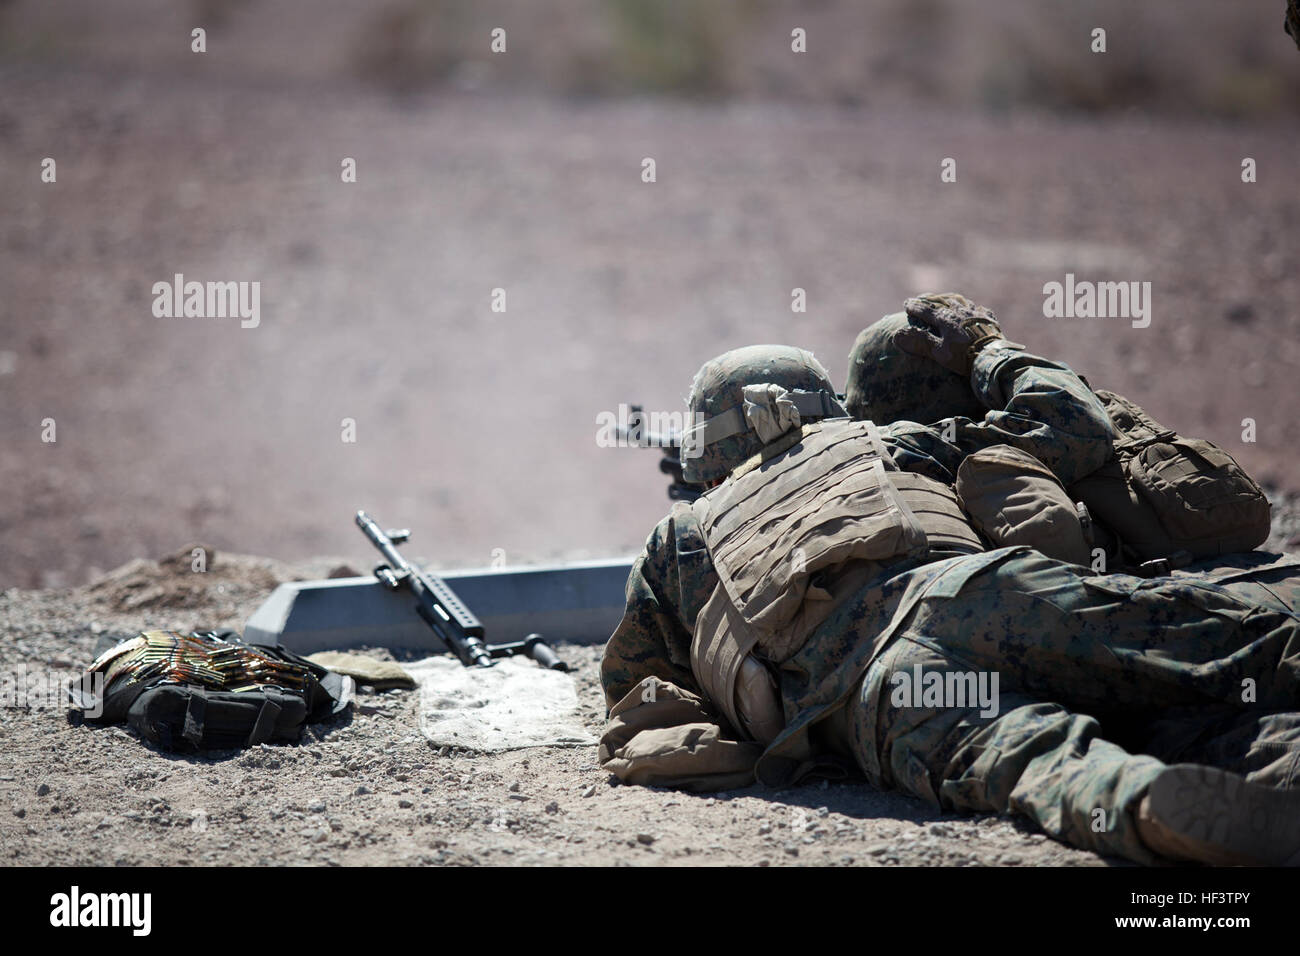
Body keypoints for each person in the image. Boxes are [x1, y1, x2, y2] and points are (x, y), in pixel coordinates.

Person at [599, 315, 1300, 866]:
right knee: (1218, 643)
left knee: (1032, 762)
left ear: (705, 459)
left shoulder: (680, 539)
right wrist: (992, 351)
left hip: (880, 691)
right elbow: (1074, 426)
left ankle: (1140, 803)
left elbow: (641, 697)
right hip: (975, 592)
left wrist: (753, 734)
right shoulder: (897, 441)